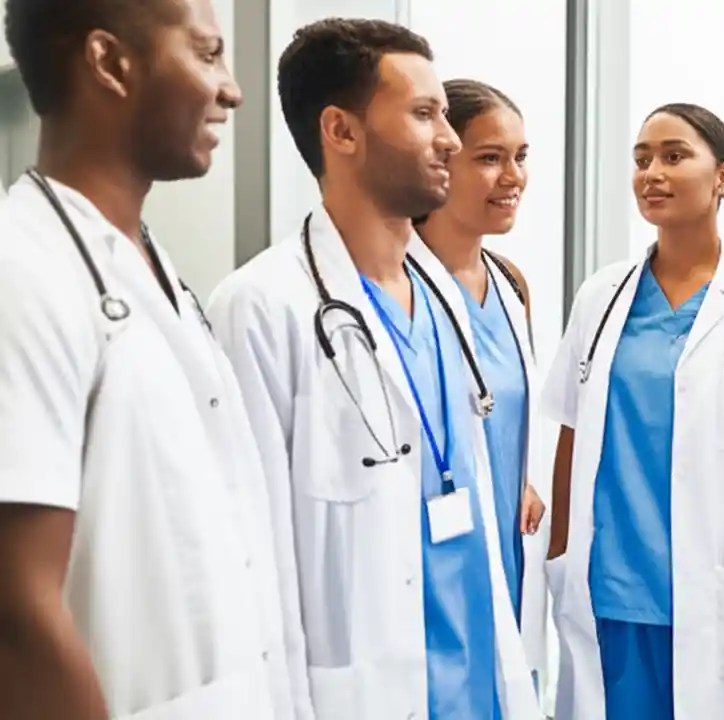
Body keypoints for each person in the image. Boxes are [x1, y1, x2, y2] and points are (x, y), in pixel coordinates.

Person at [206, 19, 539, 720]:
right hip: (361, 695)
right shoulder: (264, 308)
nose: (449, 139)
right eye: (424, 114)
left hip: (482, 686)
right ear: (341, 131)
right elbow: (252, 566)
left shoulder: (444, 295)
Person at [0, 0, 290, 718]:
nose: (232, 89)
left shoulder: (152, 270)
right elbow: (16, 613)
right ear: (109, 62)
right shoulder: (21, 273)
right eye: (207, 53)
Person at [542, 103, 724, 720]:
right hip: (612, 590)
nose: (652, 173)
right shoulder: (601, 296)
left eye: (674, 156)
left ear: (723, 175)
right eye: (641, 159)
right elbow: (571, 429)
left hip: (721, 592)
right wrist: (560, 548)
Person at [413, 80, 549, 689]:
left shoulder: (511, 283)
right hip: (433, 551)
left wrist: (525, 478)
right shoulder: (397, 285)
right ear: (441, 159)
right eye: (490, 158)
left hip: (509, 543)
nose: (513, 177)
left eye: (521, 157)